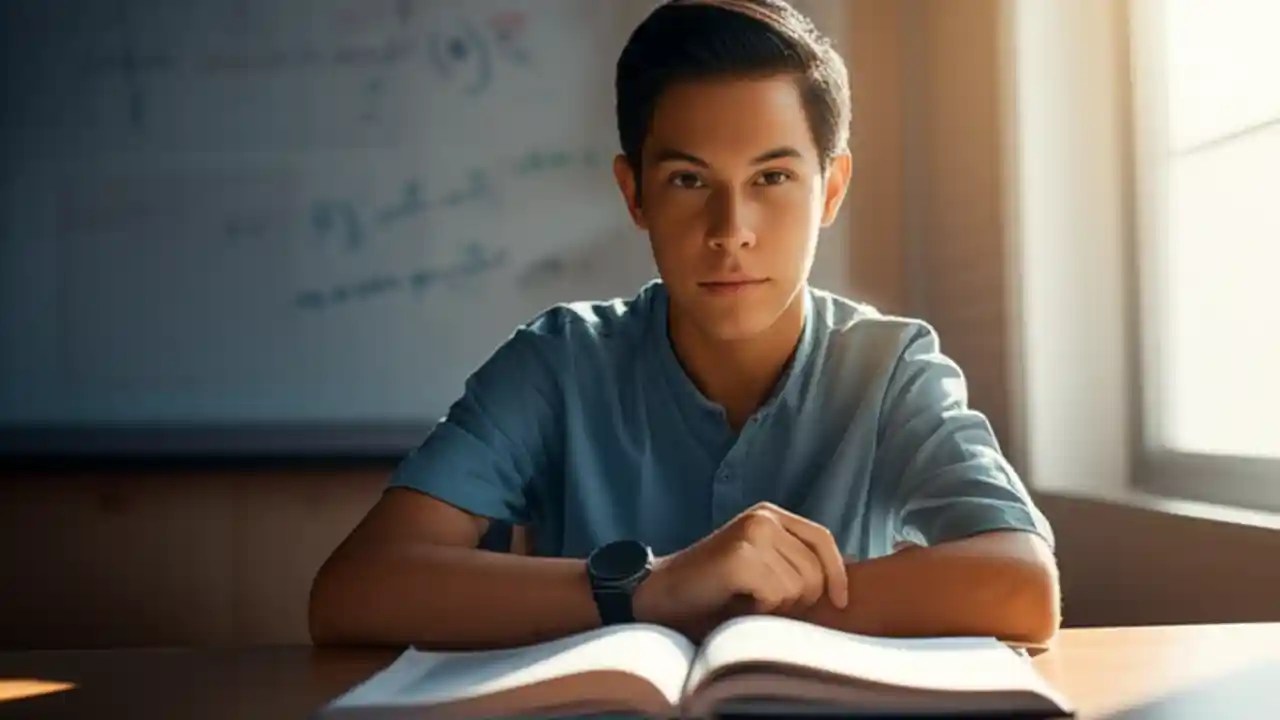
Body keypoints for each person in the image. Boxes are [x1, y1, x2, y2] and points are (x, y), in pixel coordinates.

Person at [309, 0, 1059, 650]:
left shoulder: (890, 369)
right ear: (634, 194)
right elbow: (354, 591)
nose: (731, 230)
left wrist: (744, 607)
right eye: (688, 180)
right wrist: (654, 588)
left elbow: (1023, 586)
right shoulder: (559, 361)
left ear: (830, 190)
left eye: (772, 179)